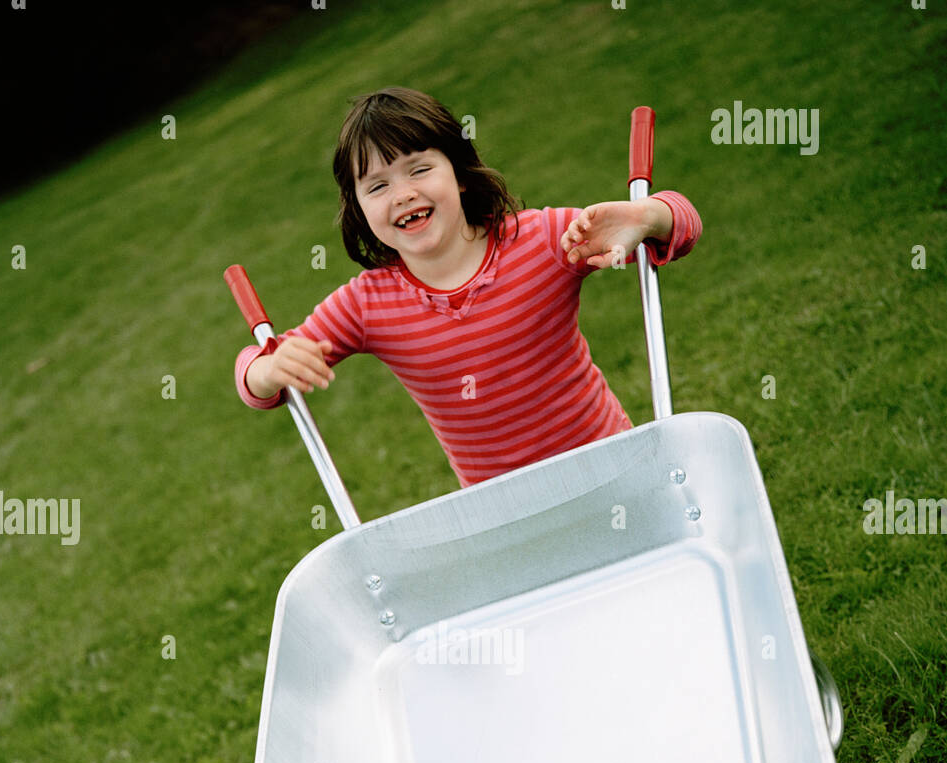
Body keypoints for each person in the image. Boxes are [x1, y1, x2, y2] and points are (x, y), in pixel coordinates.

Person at [235, 87, 701, 489]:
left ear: (458, 174)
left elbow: (683, 224)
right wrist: (271, 368)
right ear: (358, 208)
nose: (402, 194)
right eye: (377, 187)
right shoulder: (367, 305)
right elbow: (258, 376)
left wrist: (648, 218)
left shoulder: (543, 241)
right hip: (500, 515)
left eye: (419, 170)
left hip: (616, 469)